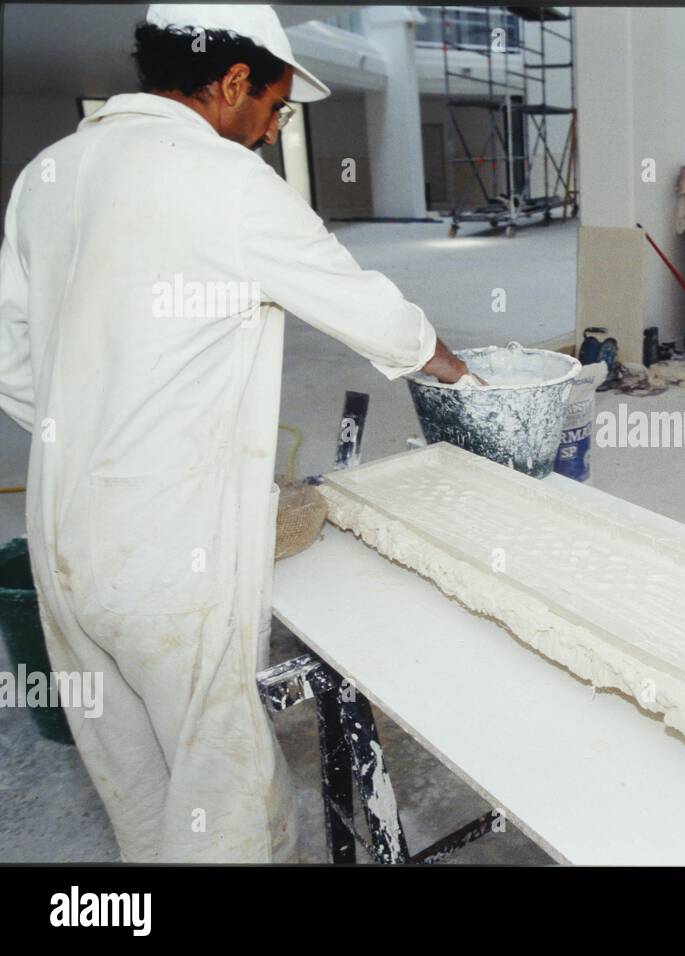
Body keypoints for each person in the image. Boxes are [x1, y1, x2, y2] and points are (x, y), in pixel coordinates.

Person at [0, 4, 468, 861]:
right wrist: (460, 374)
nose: (271, 128)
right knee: (227, 805)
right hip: (167, 554)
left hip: (59, 539)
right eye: (275, 107)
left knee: (139, 793)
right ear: (232, 81)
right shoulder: (224, 180)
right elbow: (365, 306)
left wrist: (104, 437)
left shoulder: (50, 173)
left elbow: (15, 370)